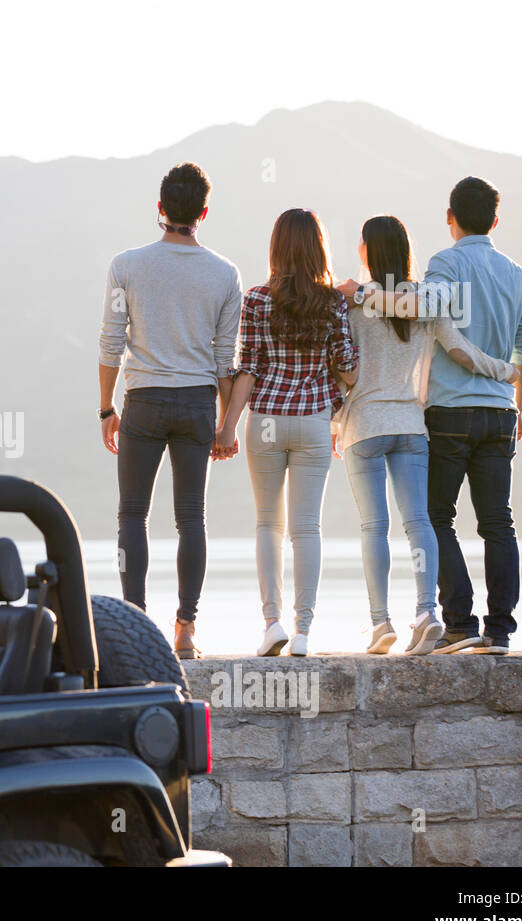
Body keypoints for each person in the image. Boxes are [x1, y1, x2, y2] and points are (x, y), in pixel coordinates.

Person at [359, 178, 522, 655]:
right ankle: (500, 630)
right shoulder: (519, 275)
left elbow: (426, 307)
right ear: (495, 221)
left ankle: (459, 623)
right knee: (498, 521)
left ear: (449, 216)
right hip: (501, 411)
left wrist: (364, 294)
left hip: (451, 413)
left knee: (437, 516)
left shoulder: (446, 263)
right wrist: (517, 406)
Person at [98, 162, 243, 659]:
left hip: (142, 400)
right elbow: (226, 360)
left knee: (131, 515)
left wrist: (105, 408)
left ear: (160, 209)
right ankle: (185, 629)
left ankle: (136, 628)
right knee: (191, 518)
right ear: (203, 212)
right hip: (197, 402)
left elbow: (110, 343)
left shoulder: (127, 265)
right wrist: (225, 426)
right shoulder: (225, 274)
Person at [216, 208, 357, 657]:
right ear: (319, 248)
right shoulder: (332, 302)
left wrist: (226, 427)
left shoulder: (256, 299)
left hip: (267, 421)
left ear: (276, 247)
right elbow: (350, 370)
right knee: (306, 529)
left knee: (267, 524)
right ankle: (304, 632)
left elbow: (249, 368)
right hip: (315, 421)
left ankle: (272, 623)